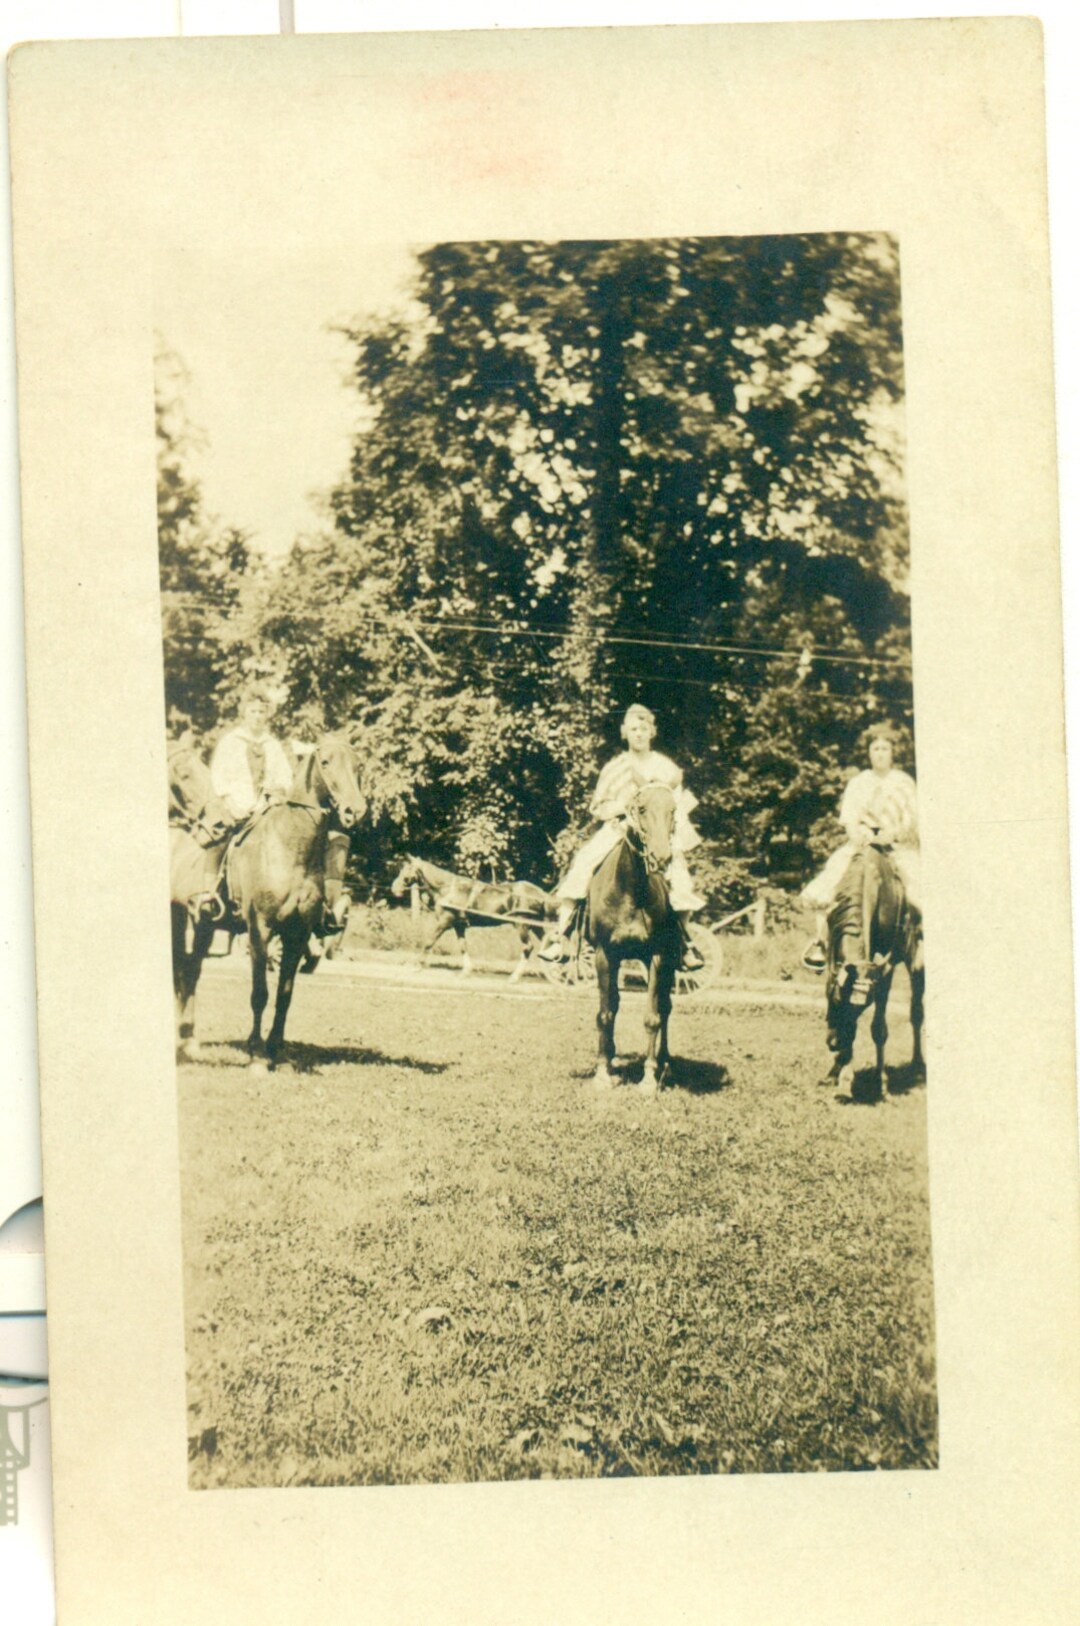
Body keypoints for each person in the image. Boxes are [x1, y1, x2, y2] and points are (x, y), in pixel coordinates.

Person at [540, 703, 706, 971]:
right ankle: (562, 937)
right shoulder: (615, 767)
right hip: (619, 831)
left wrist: (666, 832)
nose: (638, 734)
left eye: (644, 728)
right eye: (633, 729)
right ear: (624, 732)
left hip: (658, 834)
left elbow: (676, 806)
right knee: (583, 863)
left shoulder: (665, 767)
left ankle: (683, 944)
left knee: (681, 880)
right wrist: (622, 807)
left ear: (652, 731)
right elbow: (598, 807)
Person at [210, 687, 348, 939]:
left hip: (266, 806)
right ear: (244, 713)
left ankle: (318, 906)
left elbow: (285, 777)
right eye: (253, 711)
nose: (257, 716)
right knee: (223, 840)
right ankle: (215, 894)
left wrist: (274, 793)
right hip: (236, 804)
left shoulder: (272, 745)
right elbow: (219, 775)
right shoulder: (230, 742)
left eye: (262, 712)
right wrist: (230, 800)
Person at [800, 723, 920, 972]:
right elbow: (849, 819)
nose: (880, 753)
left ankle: (919, 945)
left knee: (919, 889)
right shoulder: (859, 782)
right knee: (833, 881)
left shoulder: (904, 783)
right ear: (869, 753)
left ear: (892, 752)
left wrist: (892, 835)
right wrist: (859, 837)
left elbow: (912, 820)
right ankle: (821, 941)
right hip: (862, 844)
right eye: (875, 748)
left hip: (895, 847)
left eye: (885, 748)